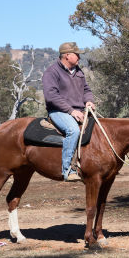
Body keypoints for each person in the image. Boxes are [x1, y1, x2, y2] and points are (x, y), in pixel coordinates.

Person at [42, 42, 95, 182]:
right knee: (73, 130)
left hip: (78, 111)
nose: (79, 57)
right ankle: (67, 170)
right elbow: (51, 96)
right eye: (76, 54)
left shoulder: (79, 71)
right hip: (58, 111)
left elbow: (86, 90)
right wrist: (71, 111)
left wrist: (88, 101)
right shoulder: (52, 72)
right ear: (67, 55)